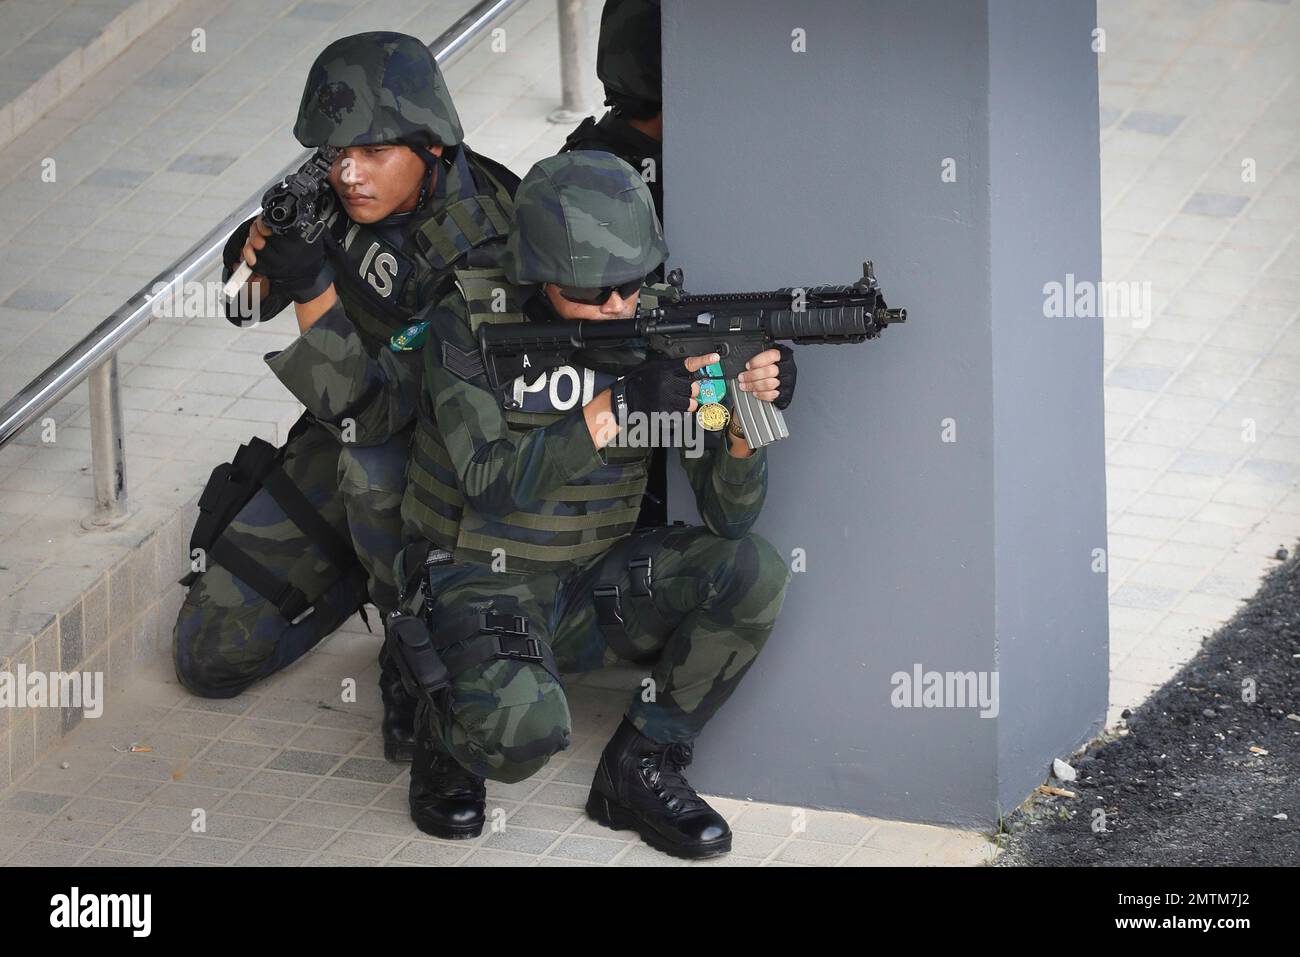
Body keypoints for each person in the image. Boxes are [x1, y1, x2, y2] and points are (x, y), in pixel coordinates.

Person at [393, 151, 795, 859]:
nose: (619, 305)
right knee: (525, 733)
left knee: (751, 569)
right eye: (597, 289)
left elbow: (729, 519)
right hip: (480, 577)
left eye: (632, 283)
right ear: (539, 275)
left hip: (590, 582)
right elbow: (490, 483)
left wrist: (741, 417)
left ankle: (639, 766)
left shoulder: (657, 321)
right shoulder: (469, 322)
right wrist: (619, 403)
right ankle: (445, 731)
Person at [171, 31, 517, 764]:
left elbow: (377, 414)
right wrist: (260, 251)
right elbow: (239, 305)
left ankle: (409, 641)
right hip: (346, 433)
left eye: (372, 152)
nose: (349, 173)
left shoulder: (480, 254)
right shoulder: (338, 186)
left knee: (372, 468)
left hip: (438, 466)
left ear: (431, 149)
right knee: (210, 653)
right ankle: (364, 564)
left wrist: (313, 289)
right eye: (336, 153)